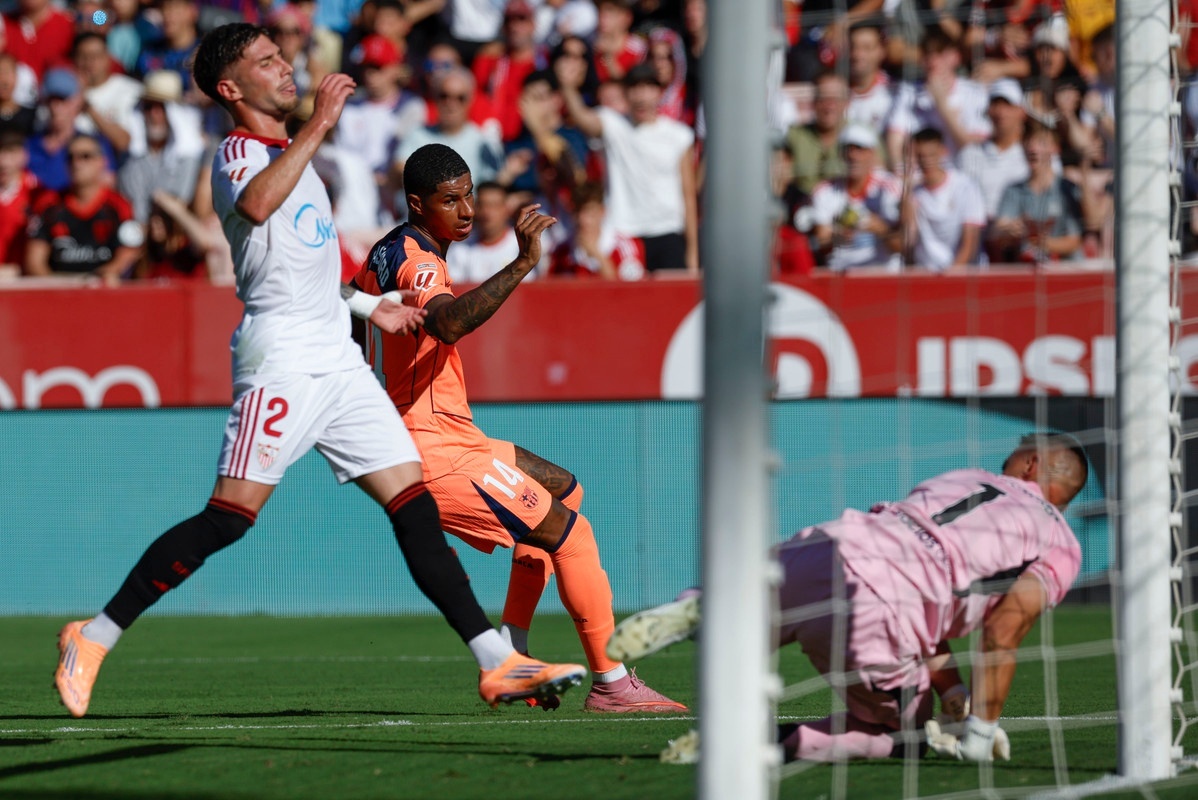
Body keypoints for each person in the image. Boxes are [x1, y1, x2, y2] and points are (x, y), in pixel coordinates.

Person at [53, 23, 587, 720]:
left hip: (337, 358)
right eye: (265, 61)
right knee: (229, 518)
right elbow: (255, 206)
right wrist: (321, 123)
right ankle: (93, 636)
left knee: (413, 505)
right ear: (230, 88)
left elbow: (310, 276)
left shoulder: (297, 160)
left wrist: (370, 305)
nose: (285, 67)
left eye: (282, 55)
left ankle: (498, 662)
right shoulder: (238, 155)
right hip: (282, 358)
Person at [350, 142, 687, 714]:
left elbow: (354, 324)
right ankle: (612, 685)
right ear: (417, 204)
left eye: (469, 195)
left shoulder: (383, 251)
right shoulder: (420, 262)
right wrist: (523, 261)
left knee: (565, 490)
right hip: (431, 446)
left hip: (444, 434)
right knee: (572, 536)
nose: (466, 210)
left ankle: (515, 647)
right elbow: (447, 323)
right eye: (449, 200)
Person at [608, 432, 1089, 762]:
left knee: (739, 604)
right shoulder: (1060, 543)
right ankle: (752, 743)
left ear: (1031, 464)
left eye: (1014, 454)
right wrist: (981, 729)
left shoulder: (965, 477)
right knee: (905, 734)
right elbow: (1002, 631)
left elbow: (920, 575)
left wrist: (954, 692)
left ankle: (698, 609)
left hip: (833, 545)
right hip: (886, 606)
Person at [558, 60, 698, 274]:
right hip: (626, 233)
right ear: (625, 94)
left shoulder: (679, 135)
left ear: (660, 92)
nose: (641, 96)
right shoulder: (613, 124)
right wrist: (568, 87)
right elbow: (583, 118)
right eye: (635, 88)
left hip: (668, 232)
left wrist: (692, 252)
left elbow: (688, 195)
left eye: (648, 88)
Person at [25, 132, 142, 283]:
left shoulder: (119, 205)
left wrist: (100, 278)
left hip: (103, 288)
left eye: (85, 156)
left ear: (102, 162)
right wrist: (61, 286)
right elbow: (34, 262)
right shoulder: (49, 205)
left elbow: (129, 252)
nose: (76, 163)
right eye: (70, 157)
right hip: (58, 287)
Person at [809, 123, 902, 271]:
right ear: (840, 154)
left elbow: (901, 246)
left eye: (860, 149)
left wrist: (880, 228)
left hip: (882, 273)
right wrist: (838, 238)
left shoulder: (889, 188)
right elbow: (821, 245)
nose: (853, 156)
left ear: (872, 153)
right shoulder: (824, 192)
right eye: (848, 149)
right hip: (840, 274)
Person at [903, 127, 986, 272]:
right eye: (920, 156)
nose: (926, 161)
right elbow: (909, 244)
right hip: (925, 275)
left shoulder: (966, 187)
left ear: (943, 151)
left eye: (931, 155)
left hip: (959, 275)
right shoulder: (912, 194)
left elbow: (970, 243)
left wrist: (950, 276)